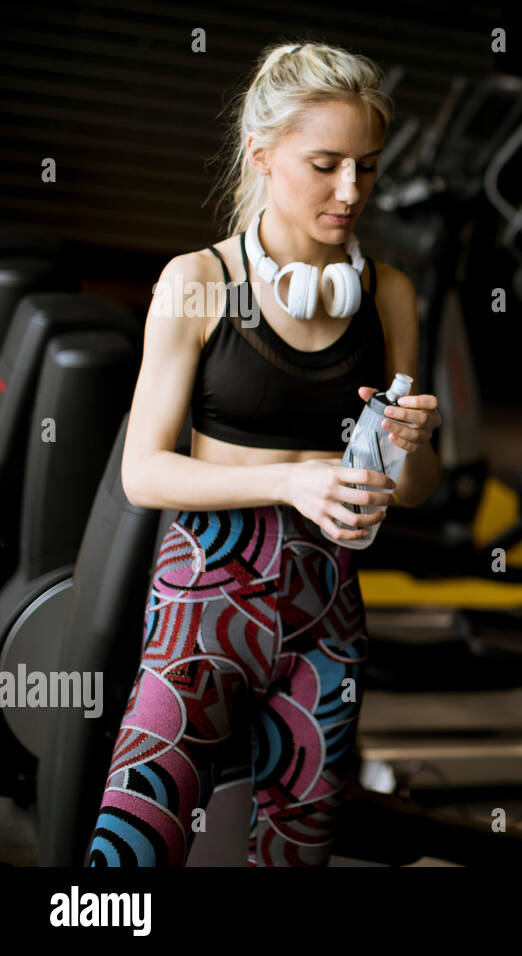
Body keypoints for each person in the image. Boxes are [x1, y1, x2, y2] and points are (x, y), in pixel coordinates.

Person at [88, 42, 441, 867]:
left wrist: (412, 448)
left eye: (367, 168)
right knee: (129, 847)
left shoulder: (388, 294)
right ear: (263, 153)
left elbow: (416, 490)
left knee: (295, 853)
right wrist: (292, 480)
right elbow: (144, 472)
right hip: (201, 604)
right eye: (325, 165)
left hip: (327, 616)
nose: (350, 192)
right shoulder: (197, 282)